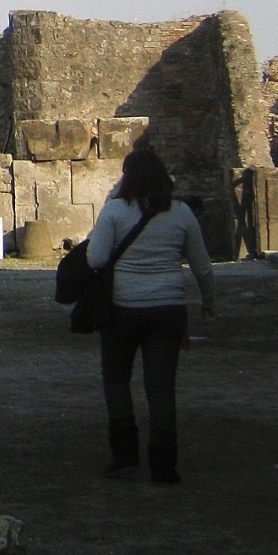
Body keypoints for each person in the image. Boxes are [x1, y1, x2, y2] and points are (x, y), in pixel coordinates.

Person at [86, 142, 216, 483]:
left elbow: (96, 259)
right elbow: (202, 267)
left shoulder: (114, 211)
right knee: (161, 389)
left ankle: (125, 455)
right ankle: (163, 464)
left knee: (116, 381)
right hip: (168, 308)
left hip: (122, 308)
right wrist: (208, 302)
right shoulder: (182, 213)